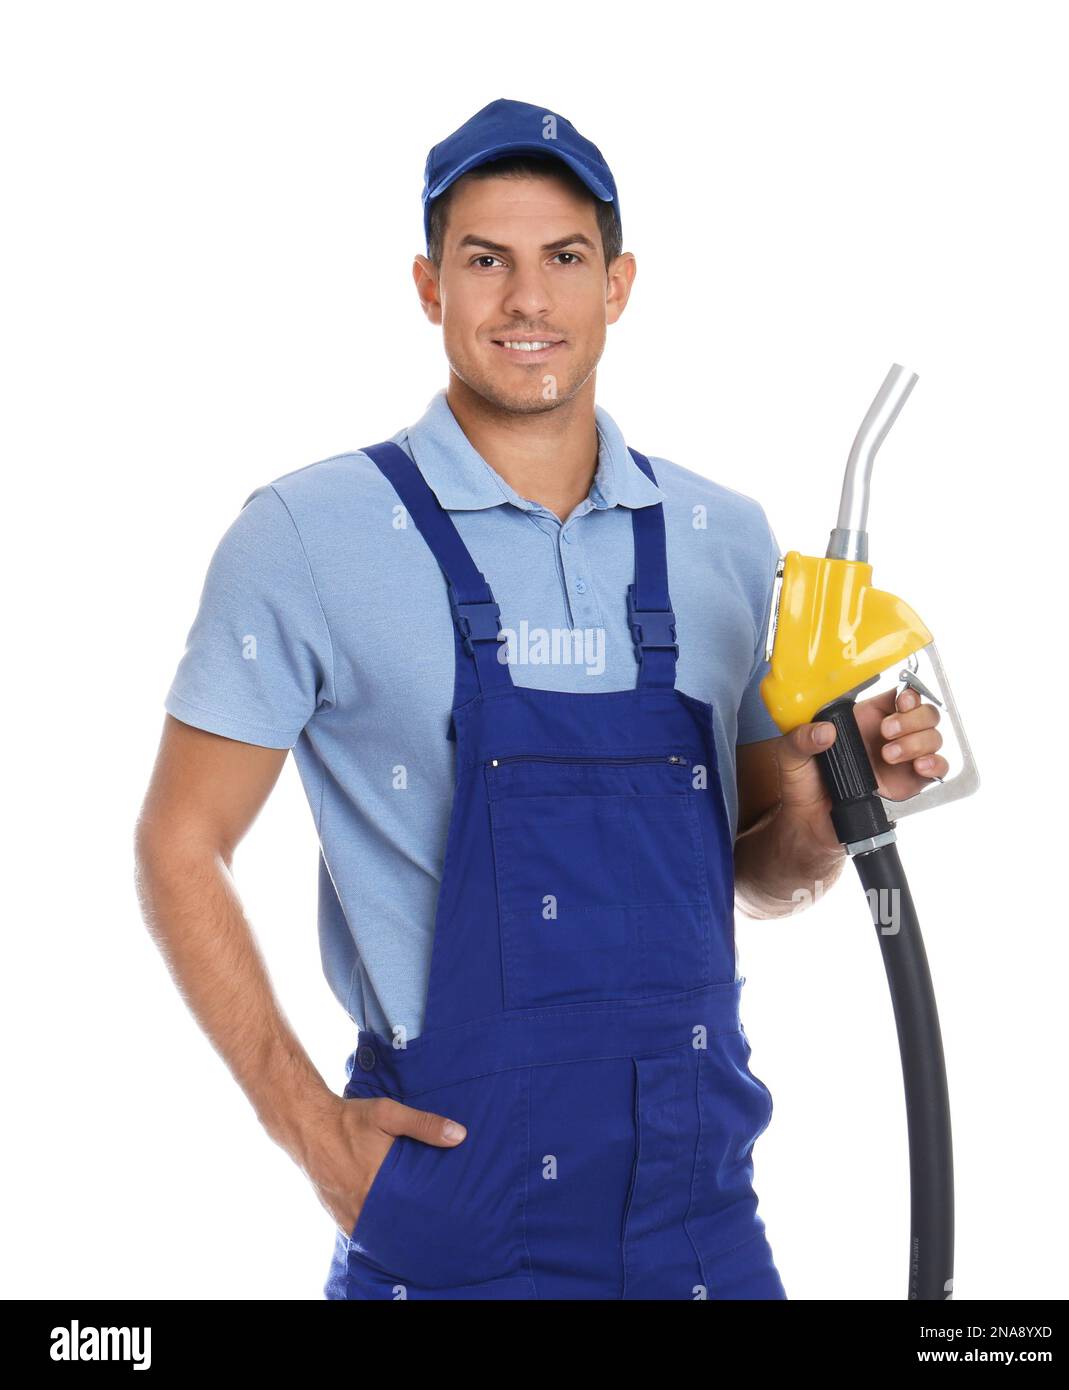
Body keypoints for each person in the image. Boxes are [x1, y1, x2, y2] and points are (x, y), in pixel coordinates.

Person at [133, 97, 948, 1301]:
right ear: (428, 286)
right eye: (485, 260)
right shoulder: (307, 535)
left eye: (564, 259)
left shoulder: (722, 538)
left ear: (616, 284)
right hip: (455, 1208)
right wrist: (314, 1136)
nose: (527, 301)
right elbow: (177, 844)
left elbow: (757, 871)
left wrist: (830, 813)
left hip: (702, 1215)